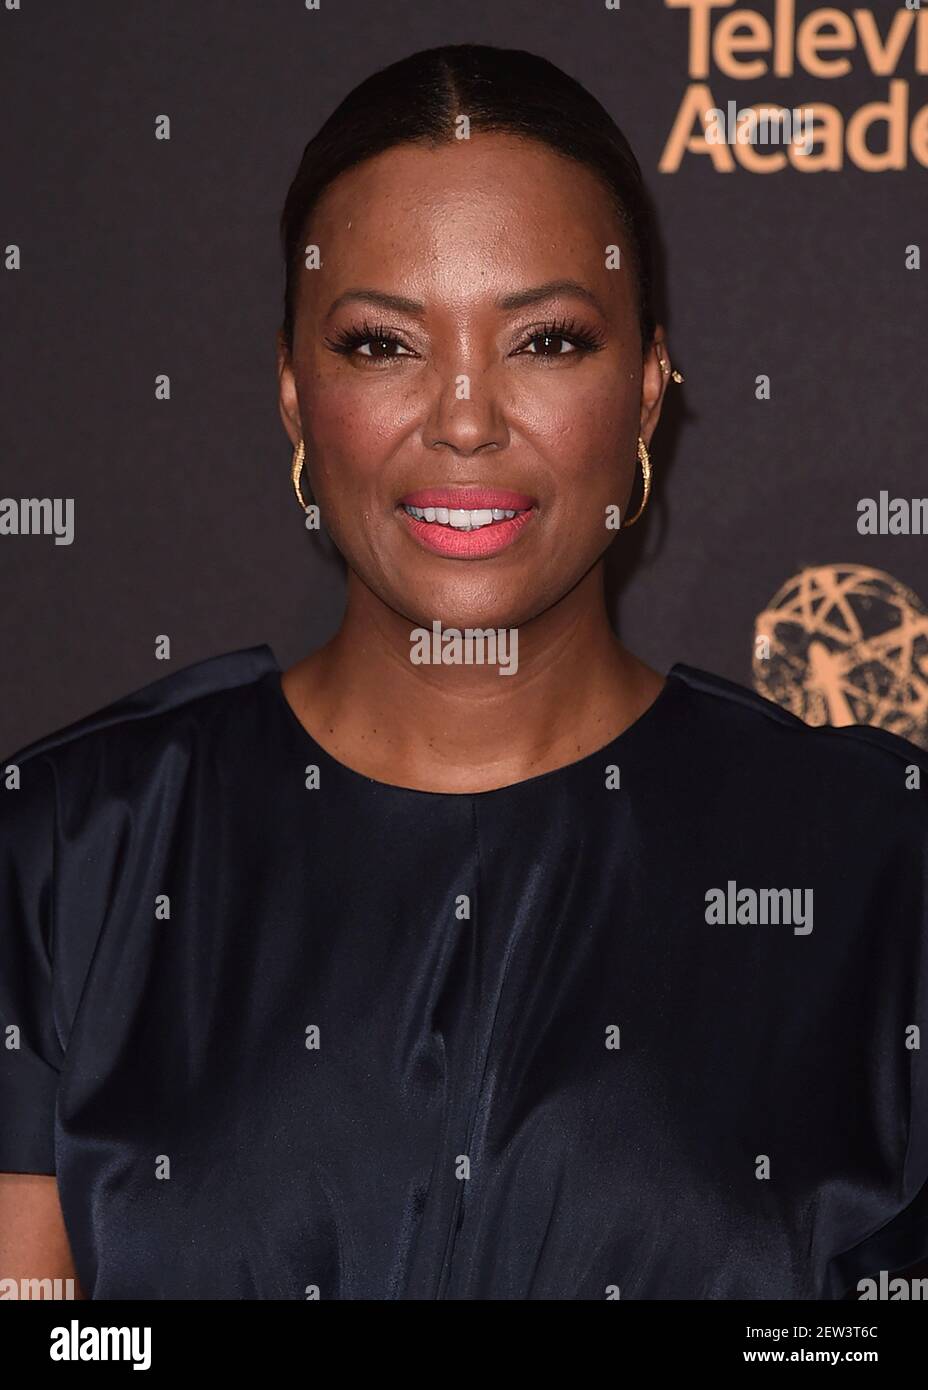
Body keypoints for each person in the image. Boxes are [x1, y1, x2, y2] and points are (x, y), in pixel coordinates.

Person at [1, 43, 926, 1301]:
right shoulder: (68, 854)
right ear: (292, 392)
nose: (465, 417)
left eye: (546, 338)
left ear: (648, 389)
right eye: (382, 344)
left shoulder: (877, 865)